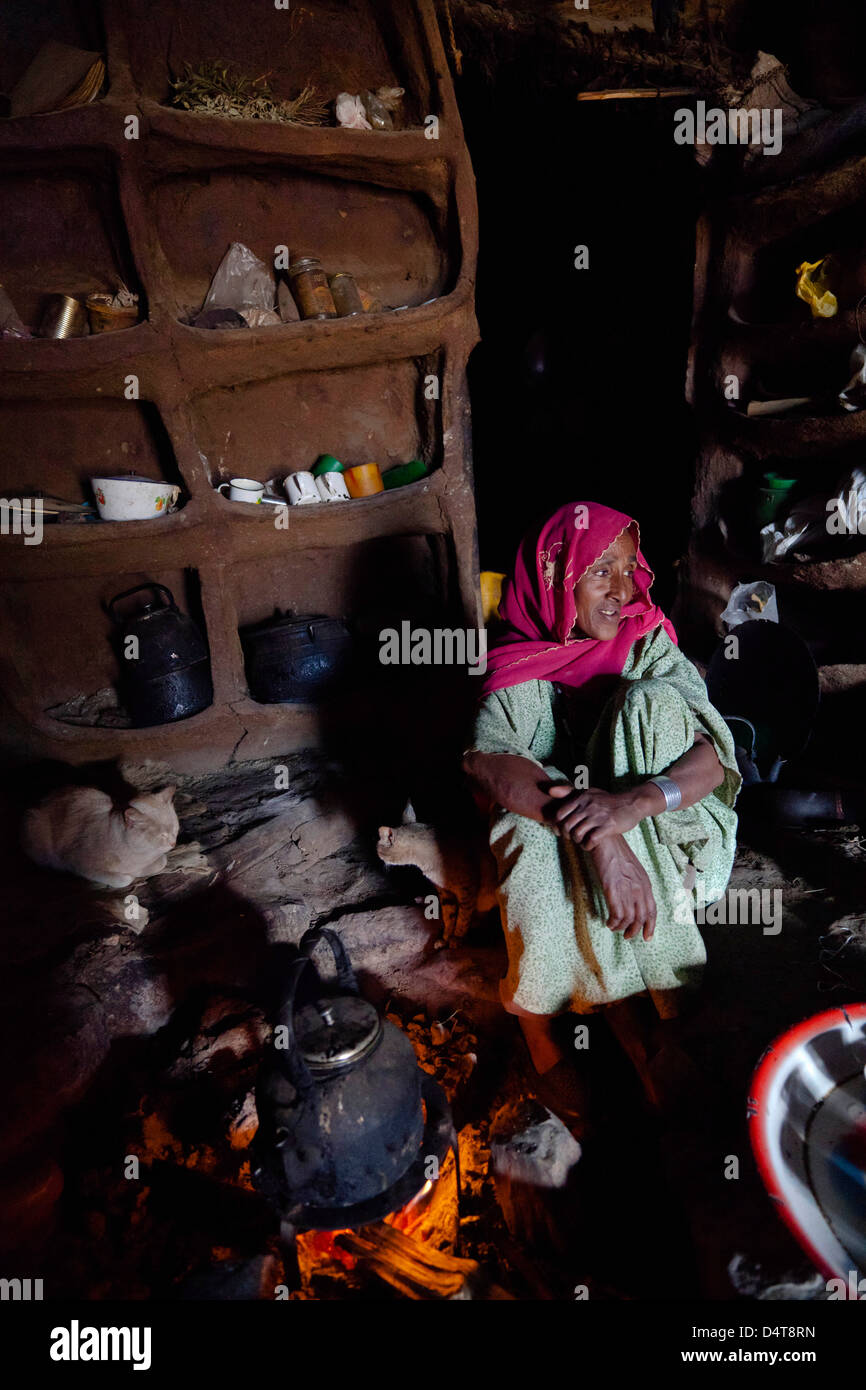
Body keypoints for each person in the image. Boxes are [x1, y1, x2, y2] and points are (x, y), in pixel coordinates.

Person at [463, 502, 741, 1132]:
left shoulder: (647, 636)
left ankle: (671, 996)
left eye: (628, 569)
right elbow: (488, 764)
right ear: (555, 577)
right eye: (600, 573)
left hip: (671, 830)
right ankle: (541, 1028)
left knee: (654, 704)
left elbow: (712, 759)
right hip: (578, 839)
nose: (623, 590)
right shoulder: (519, 653)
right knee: (522, 822)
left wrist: (629, 806)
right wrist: (602, 840)